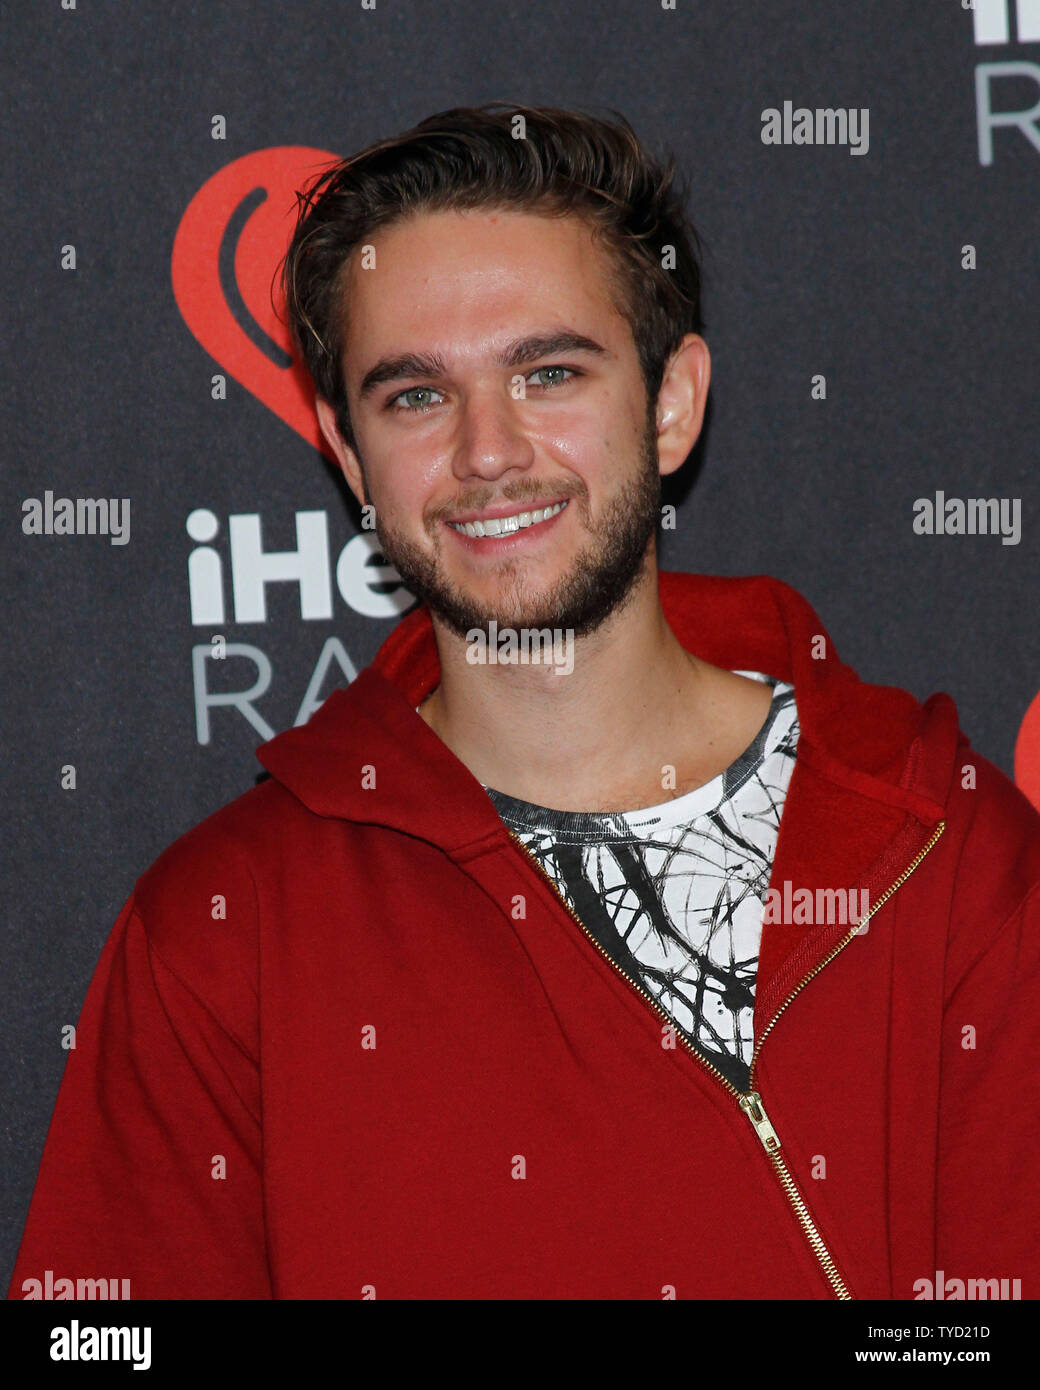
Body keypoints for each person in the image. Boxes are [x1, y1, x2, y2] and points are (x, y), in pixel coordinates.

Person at [9, 103, 1040, 1301]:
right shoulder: (221, 932)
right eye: (413, 397)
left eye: (547, 372)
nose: (488, 450)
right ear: (348, 455)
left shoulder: (945, 852)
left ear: (669, 405)